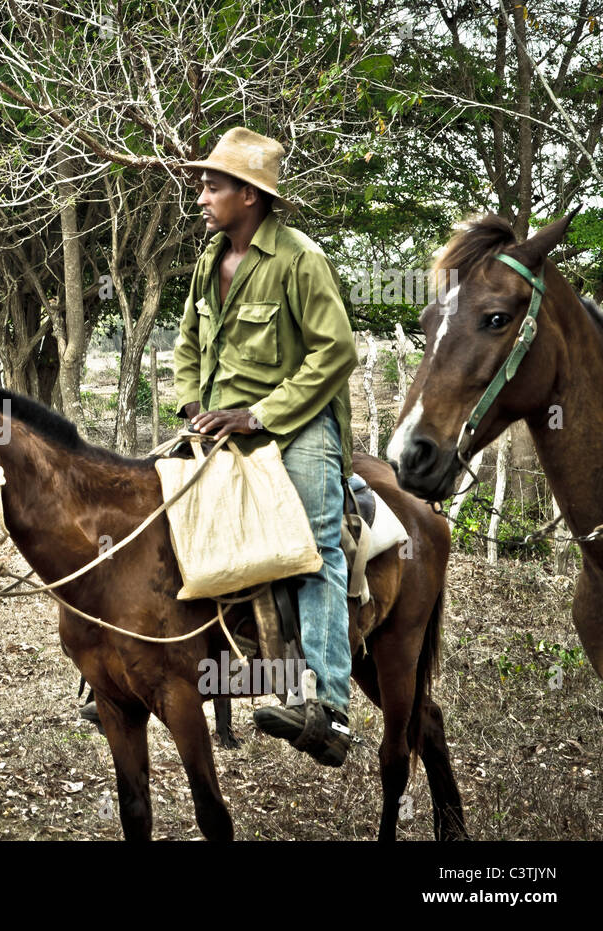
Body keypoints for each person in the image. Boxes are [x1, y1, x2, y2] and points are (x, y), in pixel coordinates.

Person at [171, 127, 358, 766]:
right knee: (156, 511)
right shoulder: (208, 260)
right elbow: (189, 345)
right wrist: (194, 405)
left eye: (213, 185)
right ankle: (147, 673)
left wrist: (258, 415)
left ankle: (327, 705)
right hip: (218, 418)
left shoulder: (301, 259)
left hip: (296, 421)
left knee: (311, 544)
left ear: (249, 196)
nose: (201, 195)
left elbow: (337, 352)